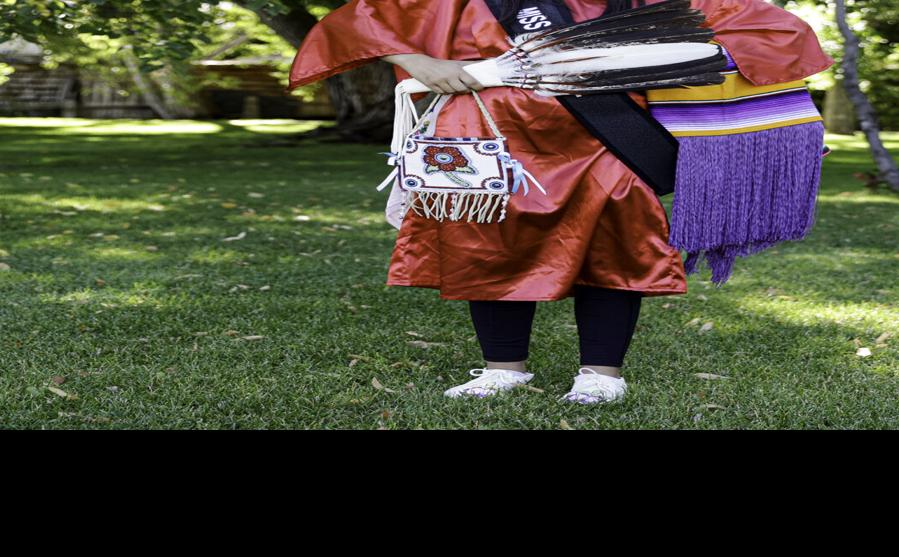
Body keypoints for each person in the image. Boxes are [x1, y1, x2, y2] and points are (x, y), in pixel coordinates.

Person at [287, 0, 833, 404]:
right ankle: (504, 369)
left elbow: (770, 28)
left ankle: (602, 376)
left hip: (605, 139)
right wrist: (419, 62)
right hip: (487, 134)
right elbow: (356, 22)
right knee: (490, 244)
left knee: (613, 247)